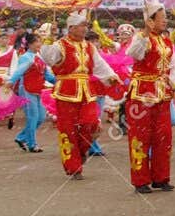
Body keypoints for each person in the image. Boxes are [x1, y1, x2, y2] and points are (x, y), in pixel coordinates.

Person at [39, 12, 119, 179]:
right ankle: (73, 167)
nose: (85, 29)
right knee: (68, 130)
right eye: (82, 25)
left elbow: (99, 64)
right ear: (71, 28)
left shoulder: (89, 46)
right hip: (66, 92)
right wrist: (49, 38)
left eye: (85, 25)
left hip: (87, 91)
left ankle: (82, 152)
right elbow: (48, 58)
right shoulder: (60, 44)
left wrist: (110, 76)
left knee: (91, 124)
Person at [126, 3, 175, 194]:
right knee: (140, 137)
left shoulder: (167, 41)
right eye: (162, 17)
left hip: (162, 94)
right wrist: (143, 34)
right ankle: (140, 180)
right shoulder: (141, 38)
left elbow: (173, 66)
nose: (165, 20)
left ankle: (161, 177)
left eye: (166, 16)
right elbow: (134, 54)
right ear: (150, 20)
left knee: (163, 137)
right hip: (142, 94)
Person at [7, 31, 48, 154]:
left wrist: (59, 81)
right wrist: (10, 81)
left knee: (41, 117)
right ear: (29, 44)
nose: (39, 44)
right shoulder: (26, 57)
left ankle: (21, 137)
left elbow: (46, 74)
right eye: (36, 42)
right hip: (26, 89)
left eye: (39, 41)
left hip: (37, 90)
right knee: (33, 117)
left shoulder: (39, 57)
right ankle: (32, 144)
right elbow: (19, 71)